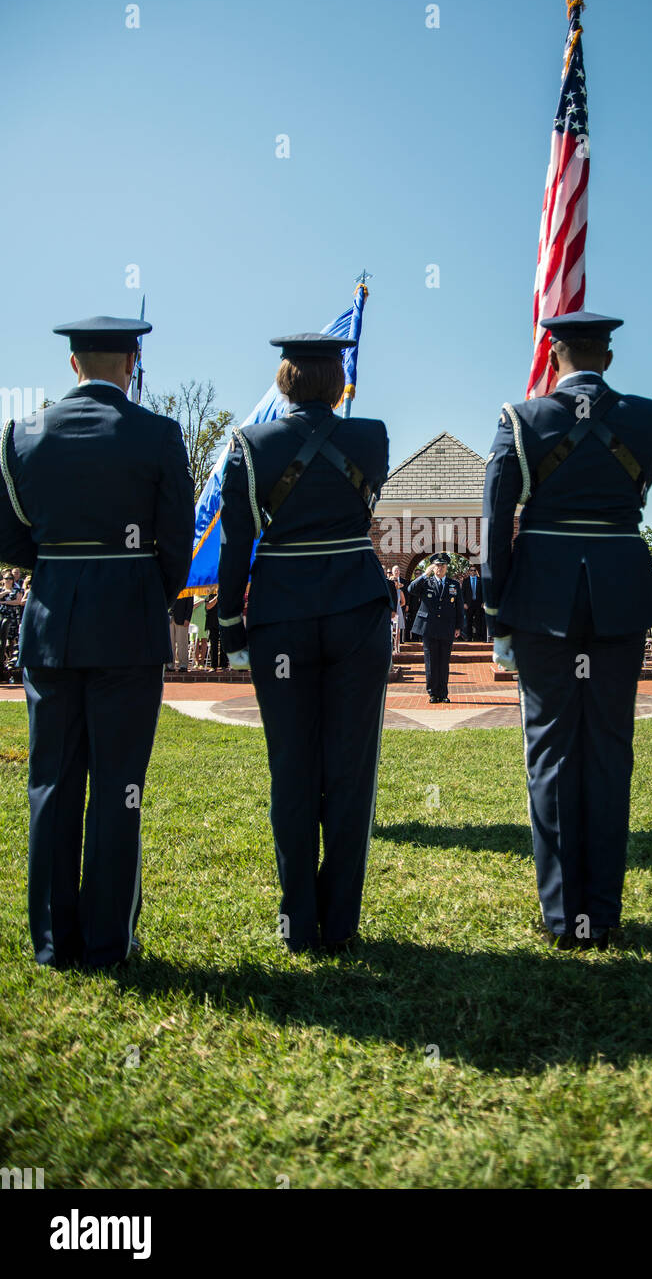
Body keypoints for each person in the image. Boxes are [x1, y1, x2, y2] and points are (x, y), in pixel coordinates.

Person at [0, 315, 195, 968]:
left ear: (73, 364)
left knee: (52, 782)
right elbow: (176, 540)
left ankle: (54, 942)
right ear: (131, 362)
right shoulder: (158, 434)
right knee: (119, 786)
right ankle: (110, 940)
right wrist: (151, 593)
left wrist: (62, 562)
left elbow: (8, 537)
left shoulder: (21, 434)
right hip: (129, 626)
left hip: (52, 621)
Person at [481, 311, 652, 951]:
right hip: (618, 592)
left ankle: (566, 916)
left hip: (542, 600)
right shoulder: (650, 418)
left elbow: (495, 524)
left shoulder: (519, 419)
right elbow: (636, 491)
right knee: (610, 748)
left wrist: (494, 613)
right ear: (607, 357)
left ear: (553, 354)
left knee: (552, 750)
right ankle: (604, 912)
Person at [217, 332, 392, 955]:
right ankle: (340, 923)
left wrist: (230, 624)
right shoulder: (371, 436)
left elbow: (238, 546)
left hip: (282, 617)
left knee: (291, 769)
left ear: (284, 379)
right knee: (350, 770)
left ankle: (297, 923)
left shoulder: (249, 444)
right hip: (356, 610)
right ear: (337, 381)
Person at [406, 553, 464, 703]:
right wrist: (425, 574)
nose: (440, 568)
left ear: (447, 567)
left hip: (446, 628)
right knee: (431, 662)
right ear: (433, 566)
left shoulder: (454, 584)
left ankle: (443, 693)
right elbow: (411, 589)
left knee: (444, 662)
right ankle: (432, 693)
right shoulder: (426, 582)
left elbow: (459, 608)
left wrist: (458, 626)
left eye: (443, 565)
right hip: (429, 628)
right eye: (437, 565)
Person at [169, 592, 195, 672]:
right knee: (170, 643)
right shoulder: (169, 584)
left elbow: (190, 604)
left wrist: (187, 618)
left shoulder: (188, 586)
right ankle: (169, 665)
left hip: (182, 618)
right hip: (169, 617)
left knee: (182, 643)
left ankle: (183, 665)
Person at [461, 563, 485, 640]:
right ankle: (469, 638)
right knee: (469, 622)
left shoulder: (480, 580)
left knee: (478, 622)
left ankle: (478, 638)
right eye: (471, 570)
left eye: (474, 570)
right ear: (469, 571)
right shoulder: (465, 581)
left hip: (478, 604)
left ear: (476, 571)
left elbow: (484, 592)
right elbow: (462, 593)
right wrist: (464, 603)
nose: (473, 572)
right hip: (468, 604)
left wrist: (483, 602)